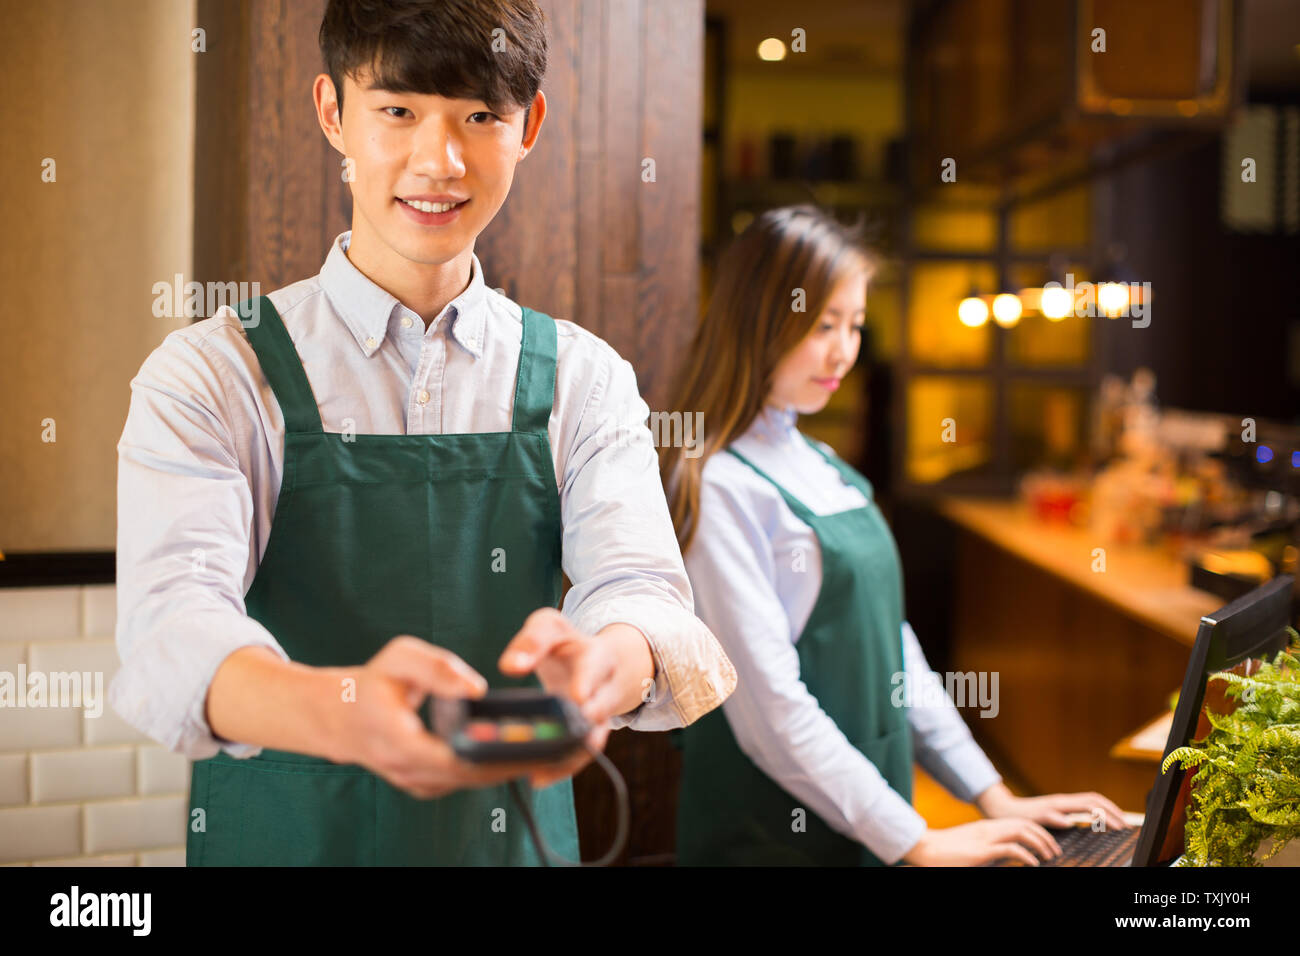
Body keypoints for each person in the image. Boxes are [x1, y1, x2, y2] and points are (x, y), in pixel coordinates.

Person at [111, 0, 735, 866]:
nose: (439, 161)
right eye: (398, 111)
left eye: (480, 117)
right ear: (333, 113)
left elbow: (641, 595)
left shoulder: (585, 379)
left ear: (530, 127)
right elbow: (170, 631)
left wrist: (599, 672)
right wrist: (342, 710)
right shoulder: (214, 374)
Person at [660, 205, 1127, 866]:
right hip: (773, 839)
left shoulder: (826, 467)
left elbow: (894, 651)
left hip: (872, 824)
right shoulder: (721, 484)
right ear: (759, 319)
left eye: (853, 325)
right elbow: (770, 713)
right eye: (823, 325)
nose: (844, 350)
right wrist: (915, 839)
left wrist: (991, 793)